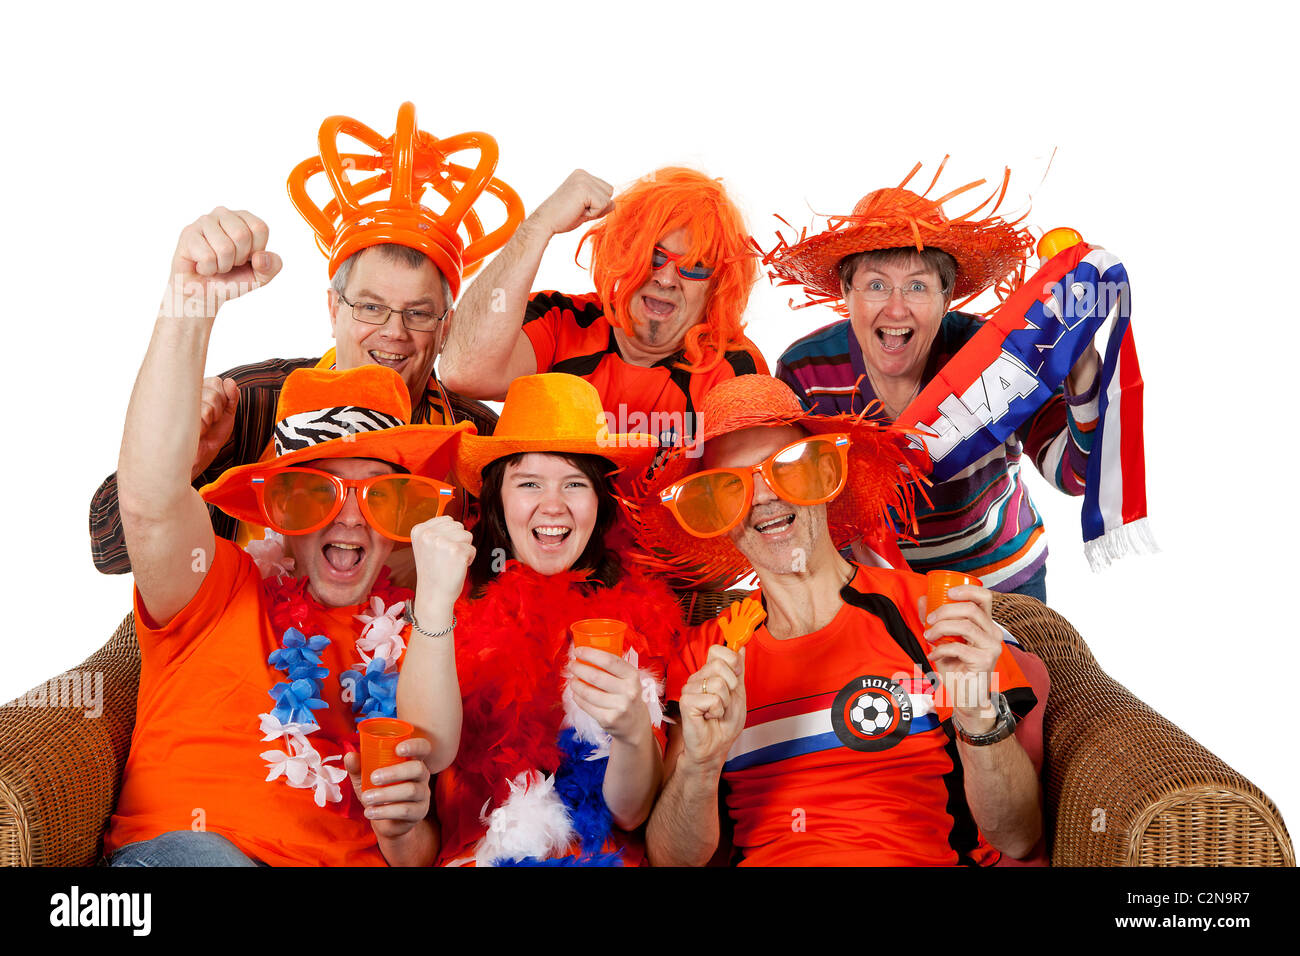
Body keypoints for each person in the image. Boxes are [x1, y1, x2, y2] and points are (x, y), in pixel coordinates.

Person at [107, 213, 476, 866]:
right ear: (278, 508)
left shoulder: (426, 645)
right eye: (318, 491)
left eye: (378, 496)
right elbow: (147, 500)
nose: (350, 519)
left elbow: (425, 843)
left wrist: (404, 827)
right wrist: (189, 306)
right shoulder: (212, 587)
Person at [89, 102, 522, 574]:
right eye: (370, 307)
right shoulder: (252, 402)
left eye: (418, 314)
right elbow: (112, 548)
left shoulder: (481, 437)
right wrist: (185, 463)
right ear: (334, 309)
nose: (394, 333)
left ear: (446, 328)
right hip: (256, 643)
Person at [636, 376, 1049, 866]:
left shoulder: (937, 614)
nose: (764, 497)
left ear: (826, 477)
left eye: (787, 469)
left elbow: (1019, 838)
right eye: (732, 487)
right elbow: (670, 861)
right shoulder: (706, 657)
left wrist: (978, 714)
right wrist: (699, 768)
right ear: (716, 515)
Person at [766, 166, 1109, 600]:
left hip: (999, 590)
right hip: (875, 598)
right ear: (845, 292)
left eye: (917, 287)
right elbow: (793, 505)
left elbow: (1077, 476)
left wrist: (1080, 363)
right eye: (876, 285)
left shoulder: (995, 352)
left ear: (946, 299)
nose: (895, 310)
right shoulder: (806, 370)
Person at [398, 373, 684, 865]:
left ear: (599, 500)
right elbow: (428, 750)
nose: (553, 506)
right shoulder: (448, 594)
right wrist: (433, 603)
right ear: (497, 499)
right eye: (529, 483)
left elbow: (631, 815)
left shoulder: (640, 612)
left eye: (574, 483)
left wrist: (633, 728)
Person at [440, 167, 768, 447]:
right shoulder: (560, 320)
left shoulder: (731, 366)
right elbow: (462, 372)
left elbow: (741, 492)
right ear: (622, 251)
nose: (667, 279)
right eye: (653, 254)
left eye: (696, 264)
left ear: (718, 284)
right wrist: (536, 228)